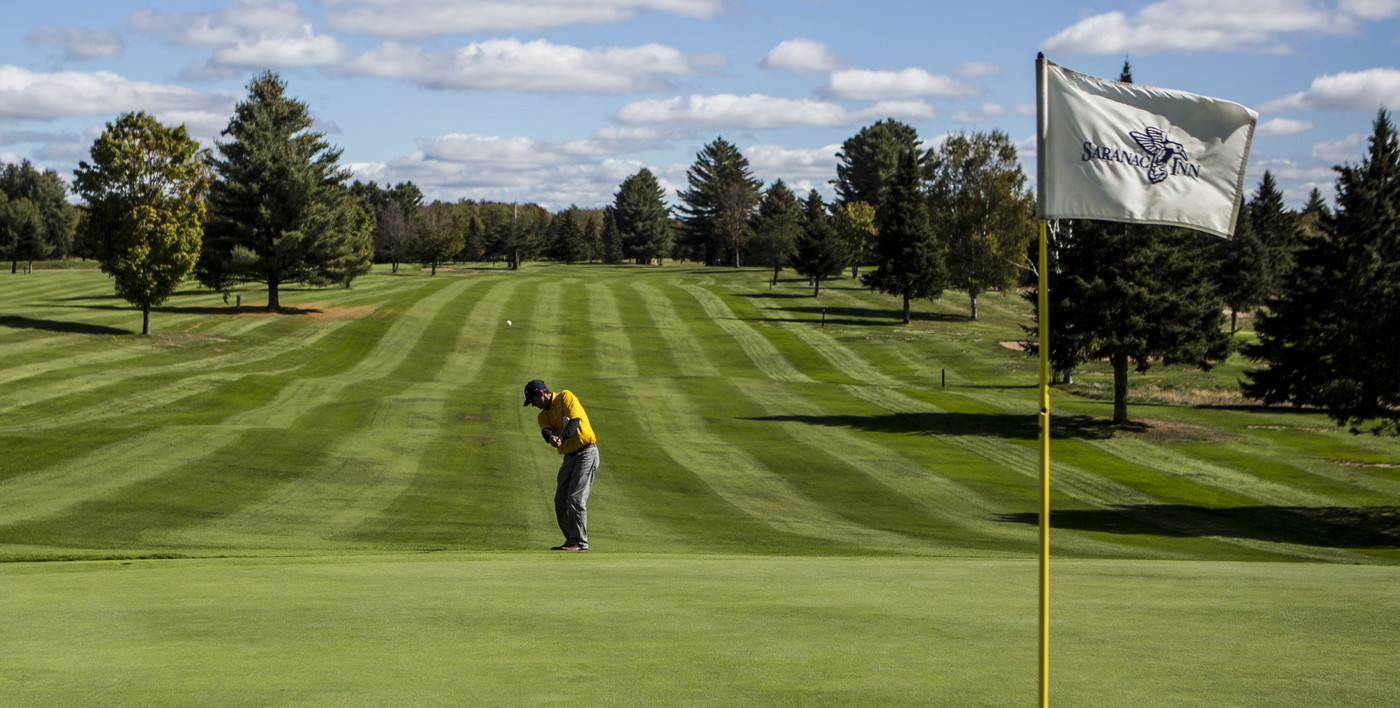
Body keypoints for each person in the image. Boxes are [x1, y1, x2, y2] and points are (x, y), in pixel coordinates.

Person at [523, 379, 598, 551]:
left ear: (540, 394)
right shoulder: (542, 416)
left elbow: (574, 421)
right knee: (560, 500)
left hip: (586, 452)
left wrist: (561, 438)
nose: (533, 405)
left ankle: (580, 542)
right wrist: (551, 438)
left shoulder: (566, 396)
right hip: (569, 457)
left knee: (575, 498)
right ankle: (571, 540)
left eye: (533, 401)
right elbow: (546, 431)